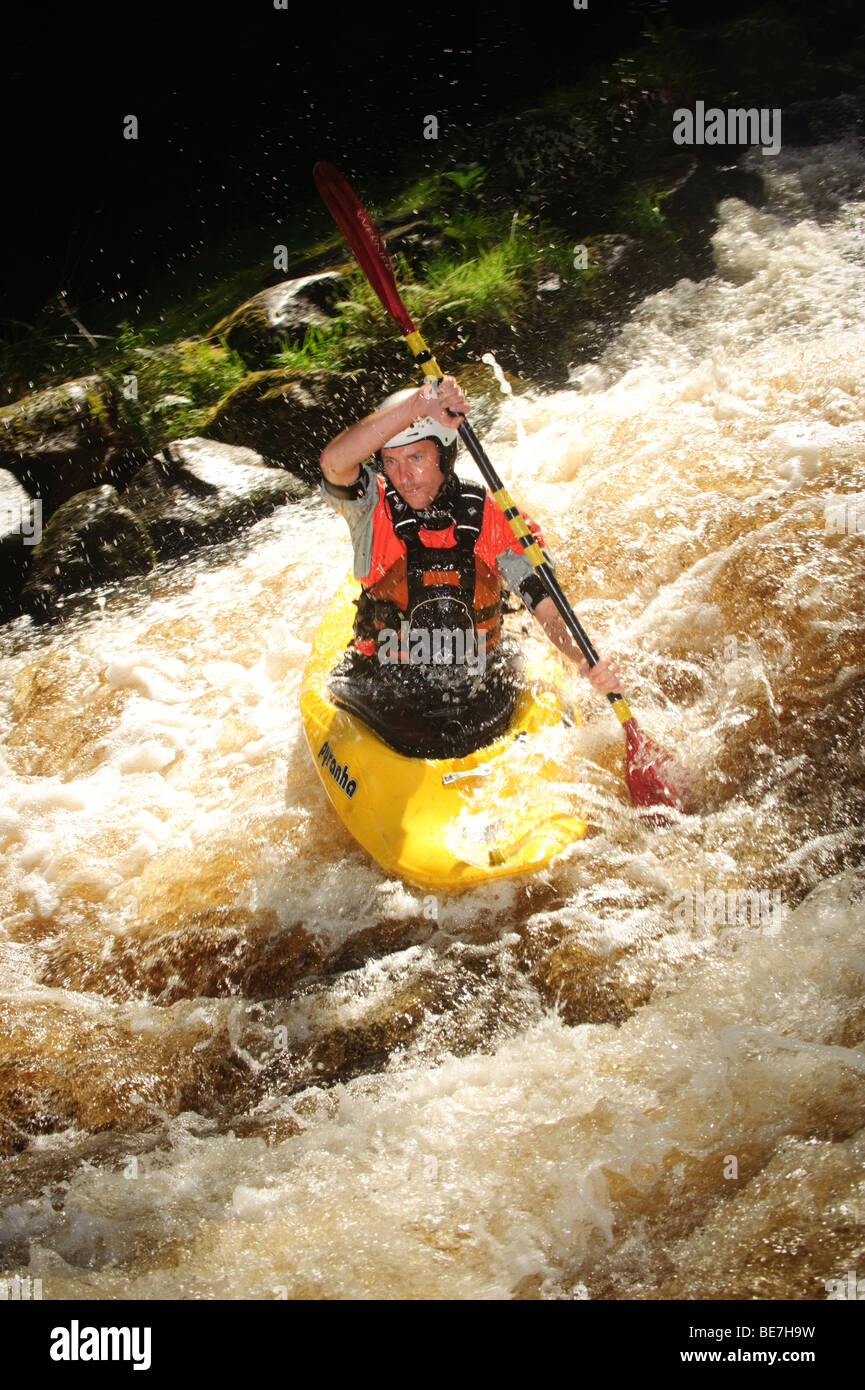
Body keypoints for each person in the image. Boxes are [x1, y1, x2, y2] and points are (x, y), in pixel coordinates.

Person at [319, 375, 623, 758]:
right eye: (391, 462)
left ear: (444, 455)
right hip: (385, 691)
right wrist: (418, 406)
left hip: (480, 686)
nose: (403, 476)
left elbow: (547, 607)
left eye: (416, 458)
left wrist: (584, 658)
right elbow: (334, 462)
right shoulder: (371, 510)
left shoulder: (493, 519)